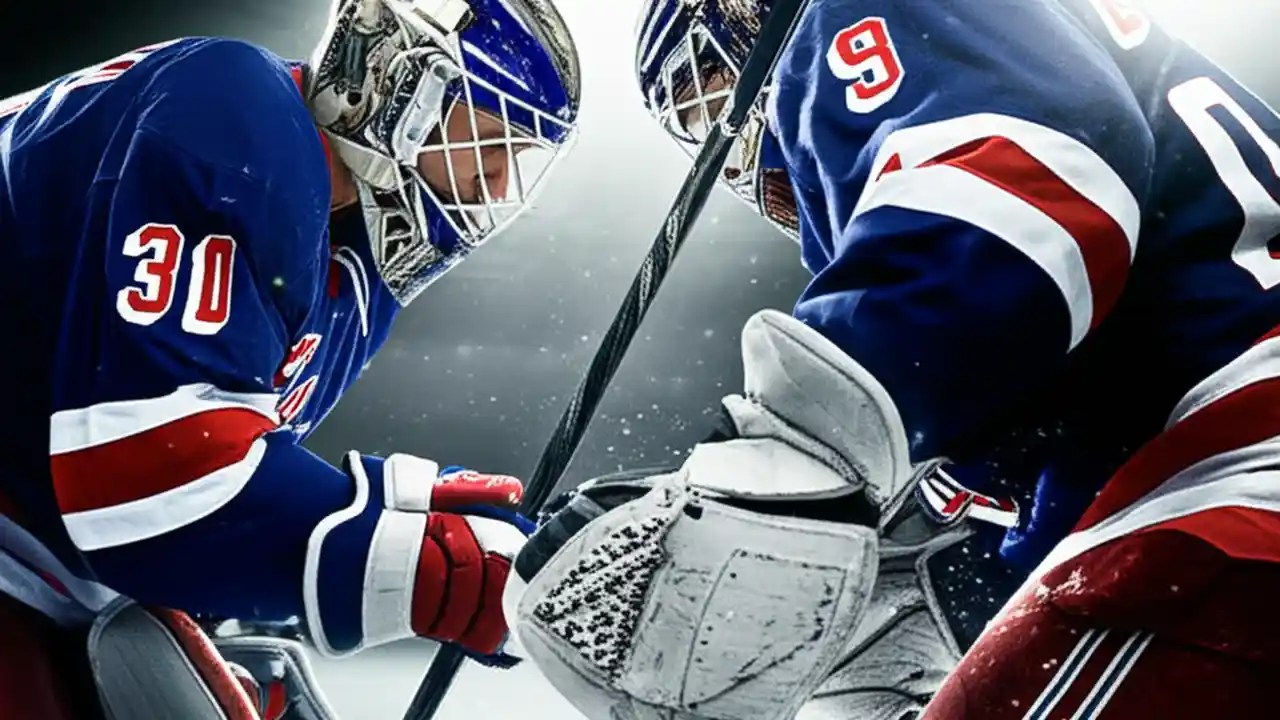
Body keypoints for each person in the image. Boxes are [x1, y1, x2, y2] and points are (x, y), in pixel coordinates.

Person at [499, 0, 1280, 718]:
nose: (735, 151)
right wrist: (952, 576)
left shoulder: (844, 14)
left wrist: (799, 447)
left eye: (708, 87)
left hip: (1238, 463)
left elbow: (1042, 174)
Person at [0, 0, 579, 716]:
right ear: (389, 76)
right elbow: (148, 489)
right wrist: (424, 567)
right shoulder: (232, 108)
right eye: (488, 140)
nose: (496, 186)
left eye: (518, 159)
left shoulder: (359, 264)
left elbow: (186, 472)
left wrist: (389, 503)